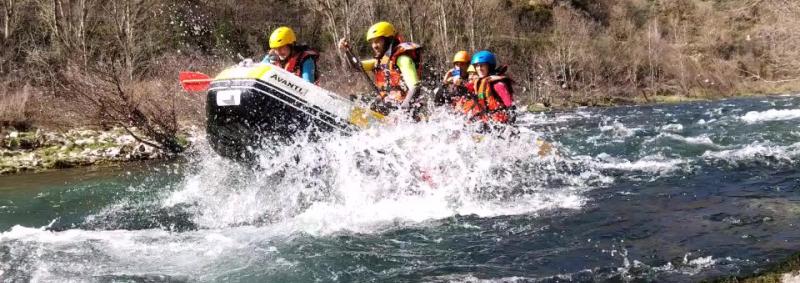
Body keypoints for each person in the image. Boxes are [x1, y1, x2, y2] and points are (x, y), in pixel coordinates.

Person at [338, 21, 423, 115]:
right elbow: (357, 66)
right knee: (355, 99)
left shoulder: (402, 59)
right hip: (388, 103)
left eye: (378, 41)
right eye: (372, 42)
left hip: (402, 109)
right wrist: (347, 51)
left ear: (388, 40)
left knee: (375, 104)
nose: (374, 46)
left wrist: (403, 111)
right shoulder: (381, 61)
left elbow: (415, 88)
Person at [460, 50, 515, 125]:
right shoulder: (479, 82)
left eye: (482, 65)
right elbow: (465, 88)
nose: (479, 68)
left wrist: (511, 117)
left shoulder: (497, 84)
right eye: (477, 66)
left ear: (489, 66)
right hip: (487, 119)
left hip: (499, 122)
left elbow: (510, 106)